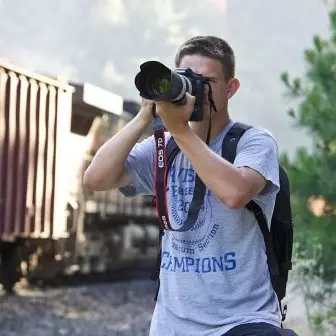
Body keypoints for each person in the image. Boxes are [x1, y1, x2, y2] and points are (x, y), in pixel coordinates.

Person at [83, 36, 297, 336]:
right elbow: (96, 179)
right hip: (172, 325)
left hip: (243, 321)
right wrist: (145, 115)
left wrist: (180, 129)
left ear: (231, 88)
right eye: (186, 79)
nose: (196, 90)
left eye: (207, 81)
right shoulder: (166, 146)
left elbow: (235, 193)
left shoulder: (253, 142)